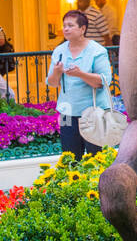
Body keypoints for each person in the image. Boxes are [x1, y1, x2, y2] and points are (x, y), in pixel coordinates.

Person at [46, 10, 113, 157]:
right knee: (70, 159)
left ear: (82, 29)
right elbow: (51, 83)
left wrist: (80, 74)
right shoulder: (59, 51)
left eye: (70, 25)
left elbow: (104, 81)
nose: (66, 29)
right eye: (64, 25)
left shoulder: (97, 50)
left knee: (96, 158)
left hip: (94, 111)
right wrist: (57, 72)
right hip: (67, 112)